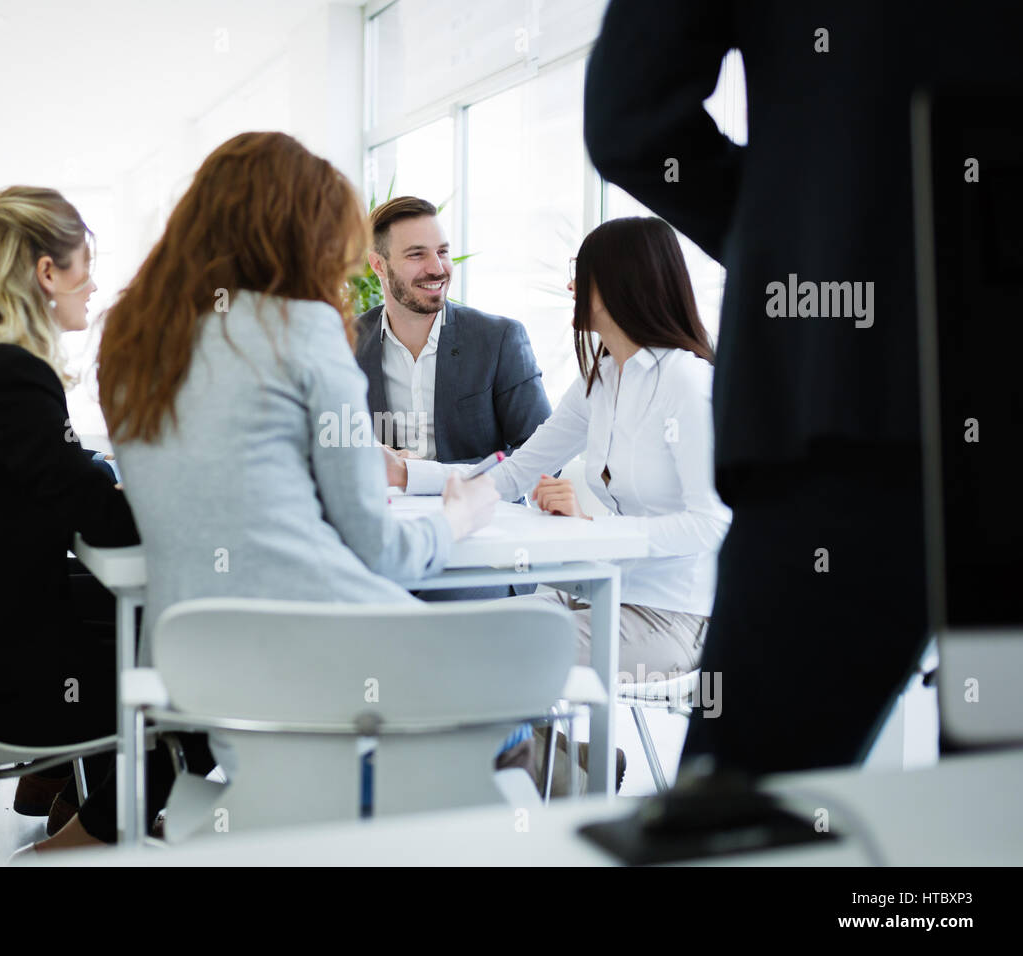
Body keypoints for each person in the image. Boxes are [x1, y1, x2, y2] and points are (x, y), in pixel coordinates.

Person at [580, 0, 1023, 774]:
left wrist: (795, 243)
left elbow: (631, 119)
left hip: (849, 388)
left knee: (750, 810)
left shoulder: (677, 378)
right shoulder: (599, 382)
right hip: (863, 385)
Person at [95, 132, 505, 842]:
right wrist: (458, 516)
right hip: (335, 679)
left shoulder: (132, 339)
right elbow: (378, 551)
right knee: (515, 701)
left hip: (210, 690)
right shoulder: (305, 330)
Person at [388, 217, 731, 792]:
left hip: (670, 620)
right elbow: (518, 467)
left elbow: (712, 522)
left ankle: (547, 779)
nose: (572, 288)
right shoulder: (602, 377)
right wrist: (410, 477)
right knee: (451, 639)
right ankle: (571, 763)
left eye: (583, 275)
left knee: (487, 655)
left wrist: (601, 533)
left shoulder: (686, 385)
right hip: (595, 592)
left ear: (624, 283)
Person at [0, 186, 155, 852]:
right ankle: (81, 843)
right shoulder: (14, 373)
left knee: (145, 631)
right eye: (84, 266)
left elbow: (63, 482)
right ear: (47, 273)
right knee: (196, 679)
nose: (93, 284)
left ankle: (96, 818)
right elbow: (102, 521)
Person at [356, 196, 551, 466]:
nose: (437, 268)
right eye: (416, 254)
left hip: (480, 505)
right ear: (378, 265)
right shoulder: (344, 341)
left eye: (442, 252)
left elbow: (543, 457)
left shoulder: (498, 339)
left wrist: (422, 474)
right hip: (383, 505)